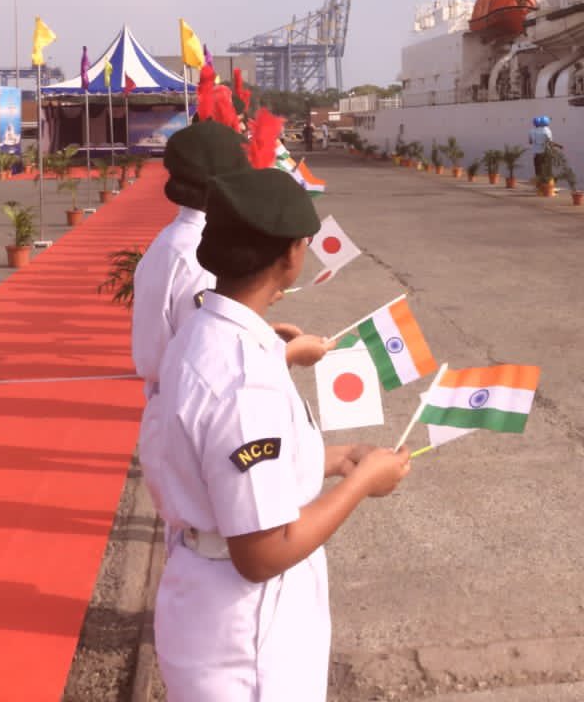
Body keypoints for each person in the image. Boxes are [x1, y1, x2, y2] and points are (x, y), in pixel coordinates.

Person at [139, 168, 410, 700]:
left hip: (202, 601)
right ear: (290, 256)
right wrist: (360, 485)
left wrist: (334, 459)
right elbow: (262, 554)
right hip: (248, 641)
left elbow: (217, 458)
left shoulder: (200, 328)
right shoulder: (246, 384)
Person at [134, 124, 331, 398]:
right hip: (191, 397)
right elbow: (210, 359)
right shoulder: (197, 254)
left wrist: (263, 332)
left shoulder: (173, 238)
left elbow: (201, 330)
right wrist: (290, 353)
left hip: (177, 392)